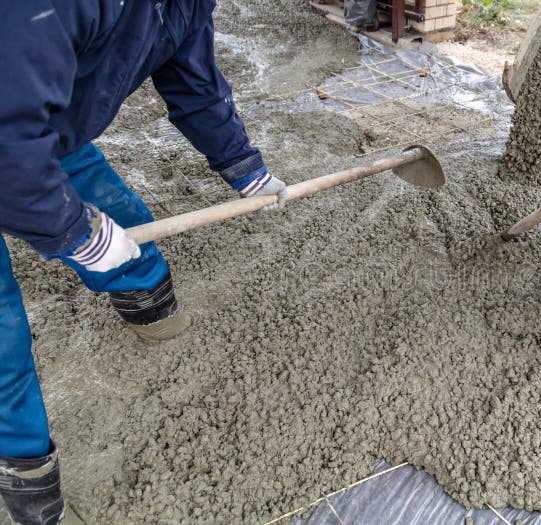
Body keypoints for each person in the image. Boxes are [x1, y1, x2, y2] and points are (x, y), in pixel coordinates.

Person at [0, 2, 288, 523]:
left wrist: (242, 164)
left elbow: (193, 78)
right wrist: (73, 232)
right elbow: (5, 142)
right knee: (3, 336)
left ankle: (146, 298)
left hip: (33, 119)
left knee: (111, 207)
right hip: (7, 127)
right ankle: (25, 467)